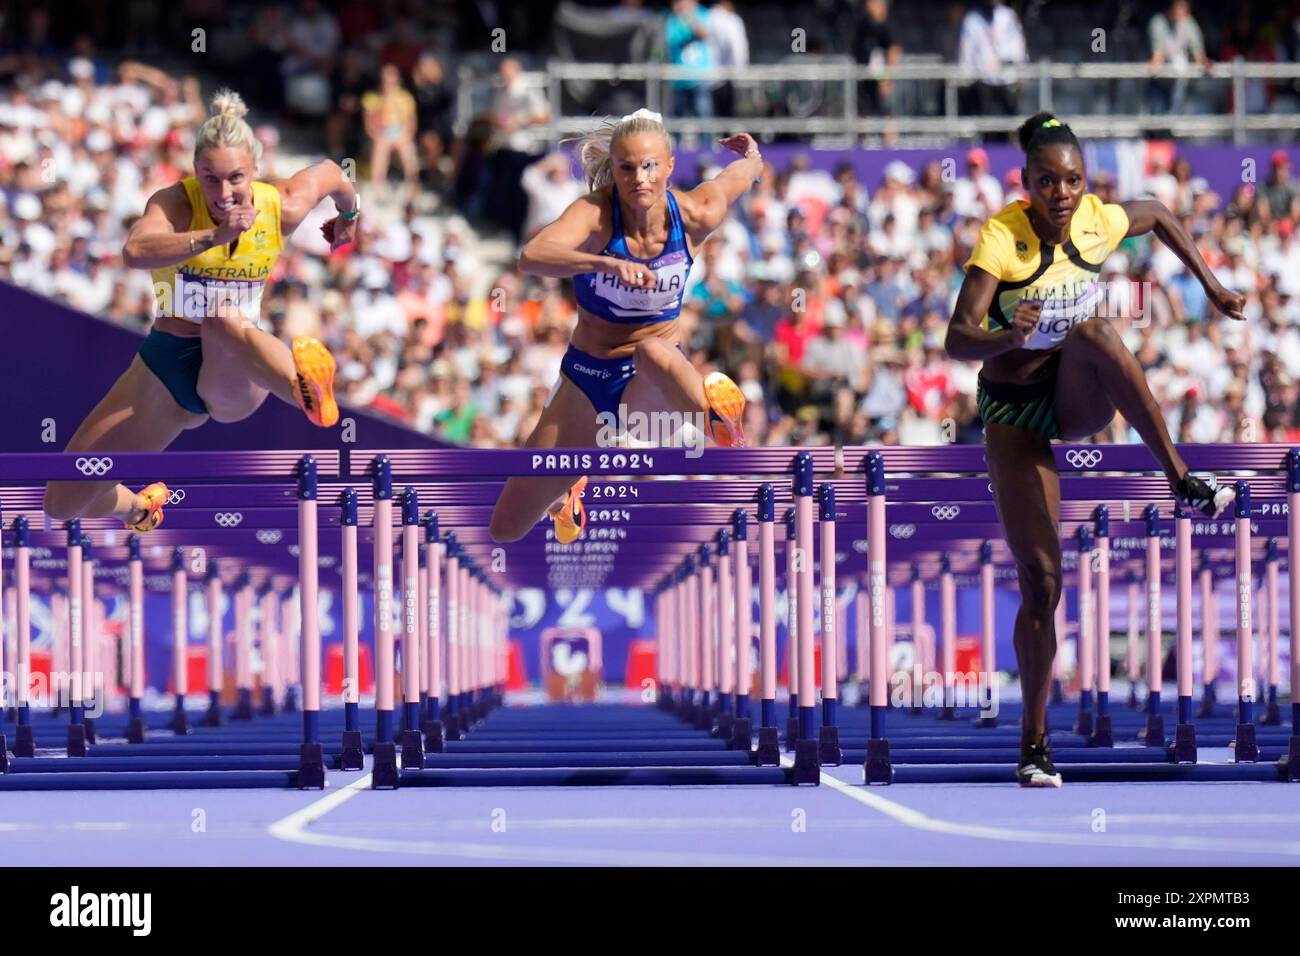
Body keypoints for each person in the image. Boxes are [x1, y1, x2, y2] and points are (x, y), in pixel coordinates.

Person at [944, 112, 1245, 788]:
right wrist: (1005, 337)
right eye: (1047, 181)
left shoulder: (1096, 219)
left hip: (1076, 397)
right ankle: (1035, 744)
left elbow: (1161, 212)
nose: (1061, 193)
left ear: (1085, 184)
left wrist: (1212, 284)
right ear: (1025, 184)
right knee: (1043, 581)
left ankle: (1179, 478)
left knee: (1100, 332)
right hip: (1014, 413)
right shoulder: (1003, 237)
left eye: (1072, 180)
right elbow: (956, 340)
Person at [43, 88, 358, 532]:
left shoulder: (281, 204)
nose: (223, 192)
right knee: (61, 502)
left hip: (234, 368)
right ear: (194, 172)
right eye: (210, 178)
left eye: (236, 178)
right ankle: (138, 508)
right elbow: (135, 250)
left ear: (256, 172)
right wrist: (210, 236)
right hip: (164, 370)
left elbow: (332, 173)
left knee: (223, 318)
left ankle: (306, 389)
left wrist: (351, 216)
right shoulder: (174, 203)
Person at [488, 109, 760, 544]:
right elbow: (532, 255)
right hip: (588, 382)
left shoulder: (695, 213)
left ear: (670, 166)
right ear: (613, 170)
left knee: (651, 350)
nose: (640, 179)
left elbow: (739, 178)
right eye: (627, 168)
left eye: (651, 166)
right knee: (506, 529)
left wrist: (752, 157)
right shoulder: (595, 216)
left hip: (655, 386)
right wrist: (601, 262)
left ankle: (721, 427)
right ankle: (566, 497)